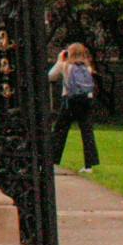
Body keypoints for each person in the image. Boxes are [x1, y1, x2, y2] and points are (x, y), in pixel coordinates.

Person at [47, 42, 100, 173]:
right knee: (87, 132)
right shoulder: (87, 68)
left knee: (60, 131)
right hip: (86, 102)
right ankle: (89, 165)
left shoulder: (65, 66)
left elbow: (50, 76)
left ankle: (53, 161)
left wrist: (59, 60)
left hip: (70, 102)